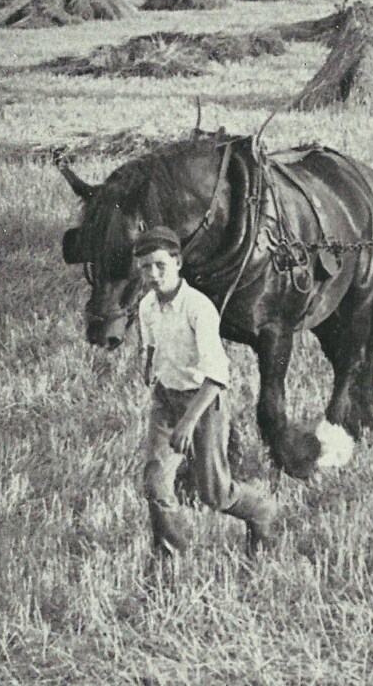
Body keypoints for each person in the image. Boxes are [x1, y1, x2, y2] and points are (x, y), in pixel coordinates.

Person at [135, 225, 279, 558]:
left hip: (202, 402)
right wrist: (149, 366)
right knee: (155, 482)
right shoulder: (146, 306)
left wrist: (187, 422)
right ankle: (169, 554)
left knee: (215, 494)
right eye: (145, 267)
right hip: (165, 399)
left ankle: (260, 511)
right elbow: (151, 344)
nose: (153, 275)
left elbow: (216, 375)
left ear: (178, 263)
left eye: (160, 265)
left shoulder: (199, 308)